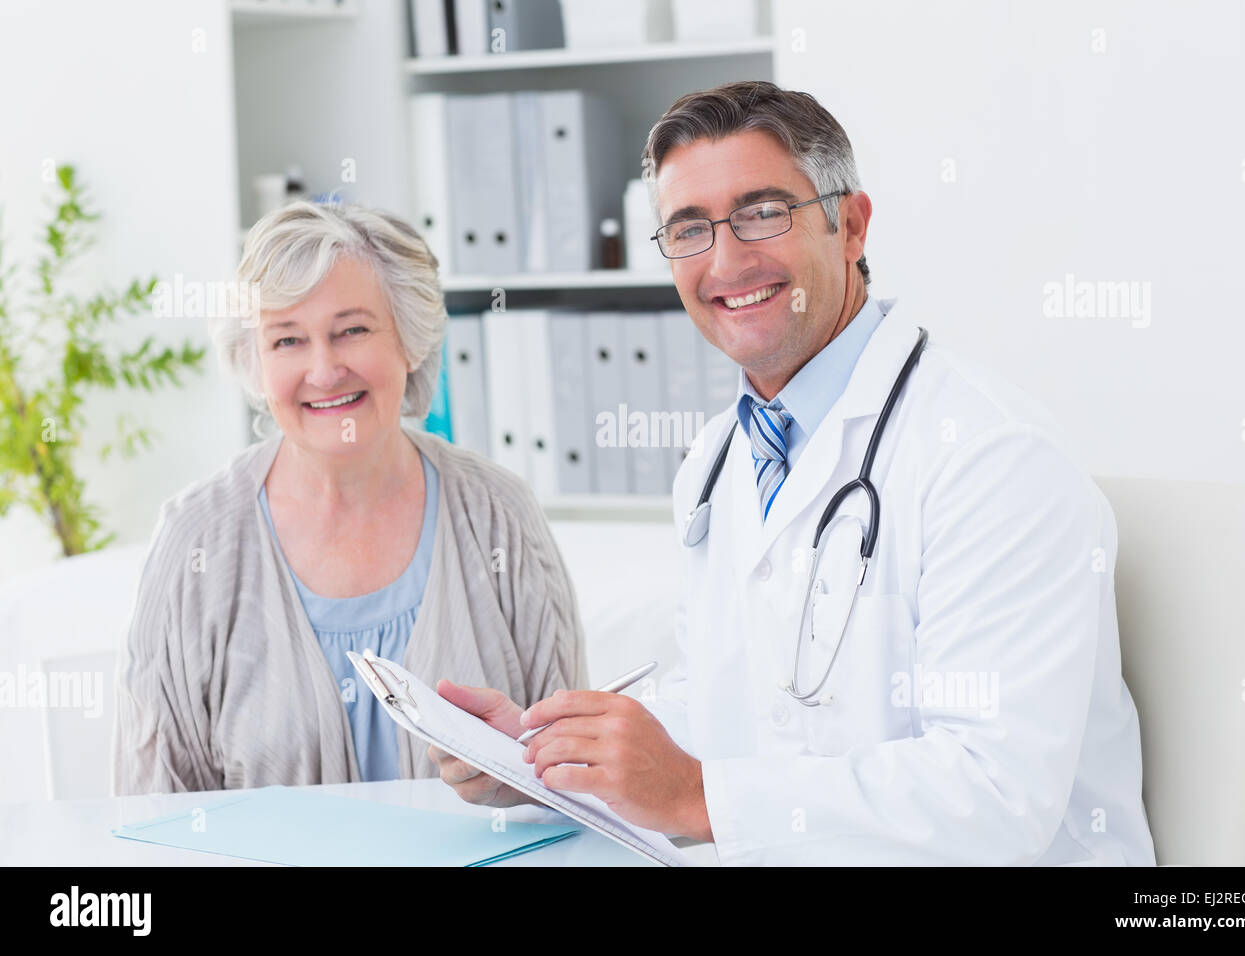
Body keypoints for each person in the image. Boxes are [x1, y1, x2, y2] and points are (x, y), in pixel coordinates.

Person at [429, 81, 1156, 866]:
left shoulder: (988, 457)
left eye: (763, 213)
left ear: (850, 224)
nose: (726, 260)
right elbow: (734, 707)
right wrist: (551, 761)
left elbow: (995, 796)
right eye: (689, 229)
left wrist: (694, 795)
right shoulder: (720, 459)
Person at [112, 201, 586, 794]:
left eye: (352, 330)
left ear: (409, 340)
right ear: (256, 364)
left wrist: (521, 784)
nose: (324, 369)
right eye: (287, 340)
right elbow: (154, 811)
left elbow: (573, 786)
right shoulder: (195, 541)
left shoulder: (500, 515)